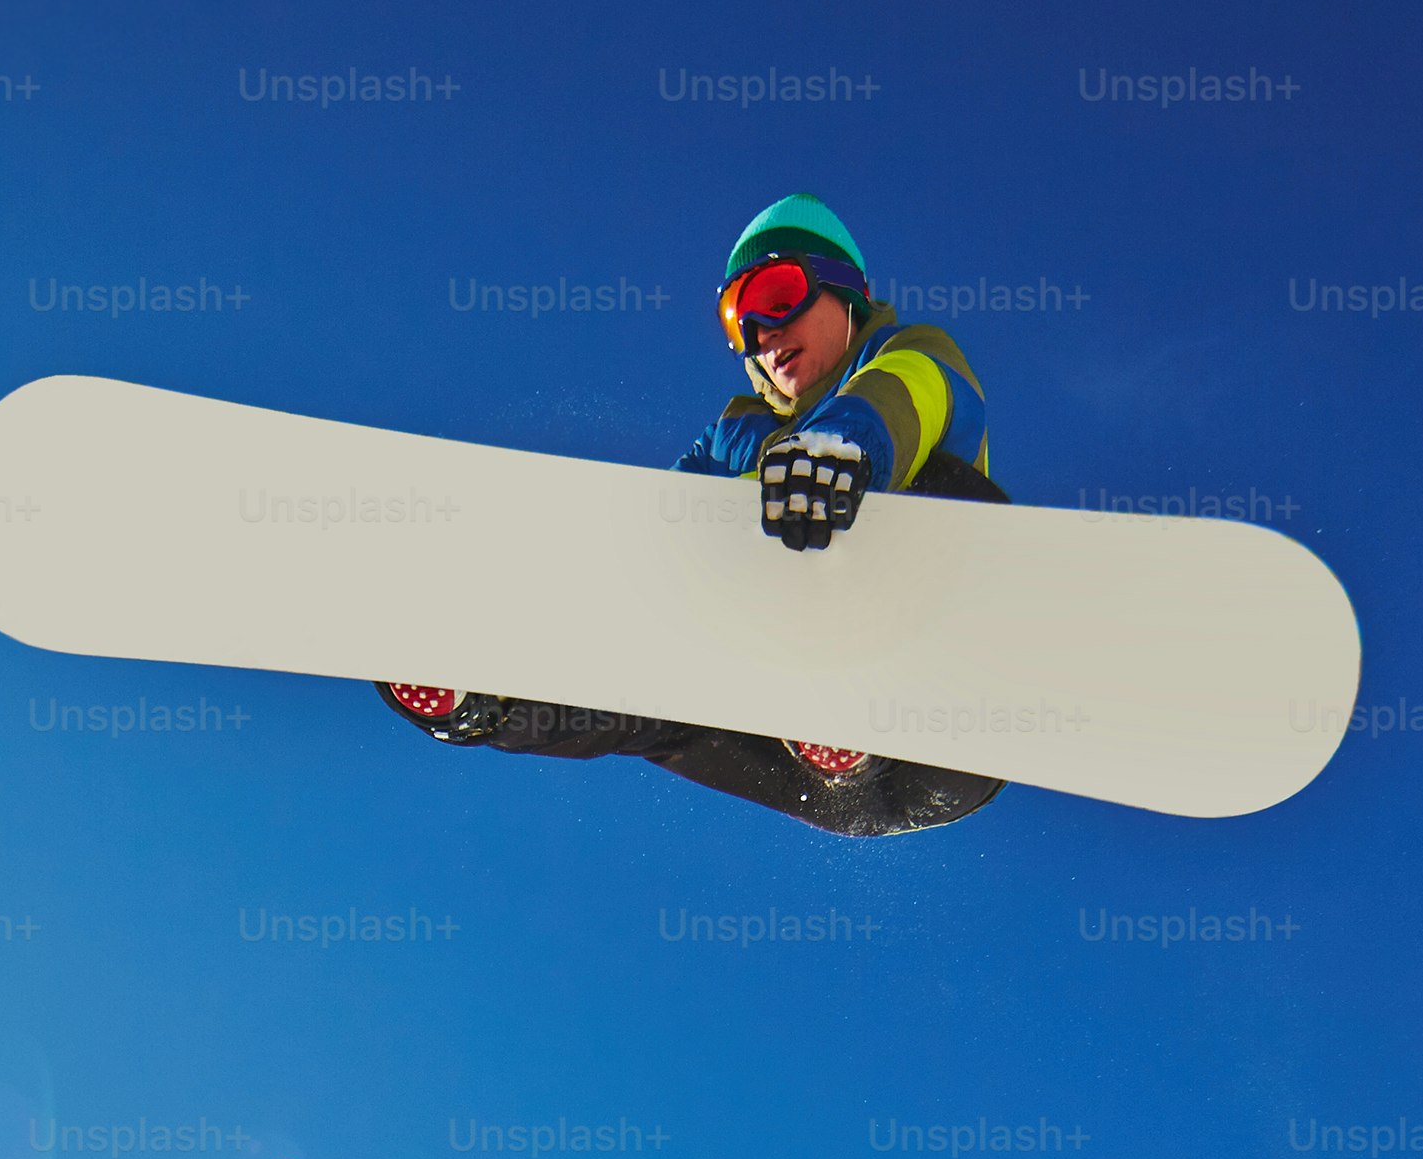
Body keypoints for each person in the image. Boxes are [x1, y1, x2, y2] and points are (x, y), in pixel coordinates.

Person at [375, 195, 1010, 837]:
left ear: (847, 289)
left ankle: (842, 687)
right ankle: (493, 694)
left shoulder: (915, 356)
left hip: (939, 713)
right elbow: (650, 556)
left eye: (778, 293)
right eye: (739, 319)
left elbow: (910, 392)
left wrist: (844, 447)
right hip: (815, 762)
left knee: (919, 486)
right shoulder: (731, 438)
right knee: (665, 666)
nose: (762, 334)